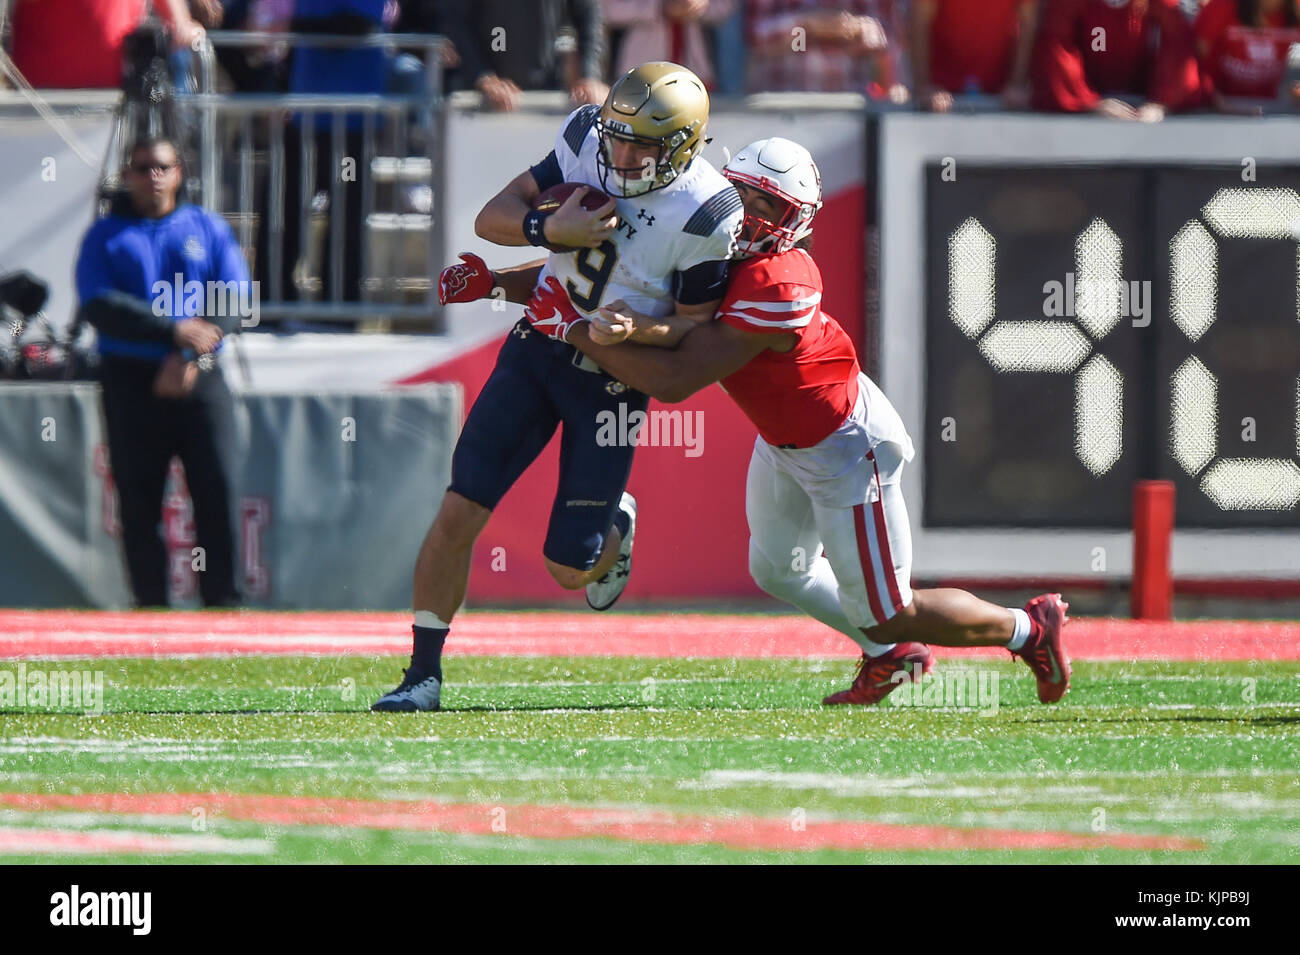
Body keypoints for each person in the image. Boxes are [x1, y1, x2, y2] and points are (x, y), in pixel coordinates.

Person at [521, 137, 1072, 706]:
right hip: (784, 439)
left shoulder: (779, 281)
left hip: (845, 446)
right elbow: (627, 292)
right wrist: (505, 283)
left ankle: (1028, 628)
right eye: (743, 196)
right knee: (780, 571)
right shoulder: (703, 244)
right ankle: (894, 660)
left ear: (796, 222)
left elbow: (677, 378)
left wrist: (574, 328)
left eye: (769, 209)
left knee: (889, 612)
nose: (751, 218)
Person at [372, 62, 744, 712]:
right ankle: (421, 675)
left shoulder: (707, 210)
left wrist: (620, 329)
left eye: (640, 145)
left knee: (570, 568)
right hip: (535, 349)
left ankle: (615, 526)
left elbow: (692, 330)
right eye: (617, 136)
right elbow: (497, 216)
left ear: (682, 148)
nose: (621, 155)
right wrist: (535, 245)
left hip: (613, 381)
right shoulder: (584, 137)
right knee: (459, 507)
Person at [75, 136, 246, 608]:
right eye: (143, 167)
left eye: (163, 167)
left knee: (217, 493)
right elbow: (99, 305)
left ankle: (224, 607)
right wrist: (173, 333)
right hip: (132, 379)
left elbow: (234, 298)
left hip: (200, 375)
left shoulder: (205, 227)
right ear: (127, 176)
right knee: (139, 501)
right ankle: (150, 610)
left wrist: (190, 354)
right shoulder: (105, 236)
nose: (153, 176)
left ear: (178, 174)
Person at [1031, 0, 1202, 119]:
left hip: (1141, 94)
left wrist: (1161, 103)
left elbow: (1179, 43)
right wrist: (1089, 102)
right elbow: (1056, 43)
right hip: (1089, 91)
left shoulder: (1163, 5)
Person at [912, 0, 1039, 111]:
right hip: (941, 94)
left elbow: (1028, 21)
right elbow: (920, 20)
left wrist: (1017, 83)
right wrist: (924, 85)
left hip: (1001, 95)